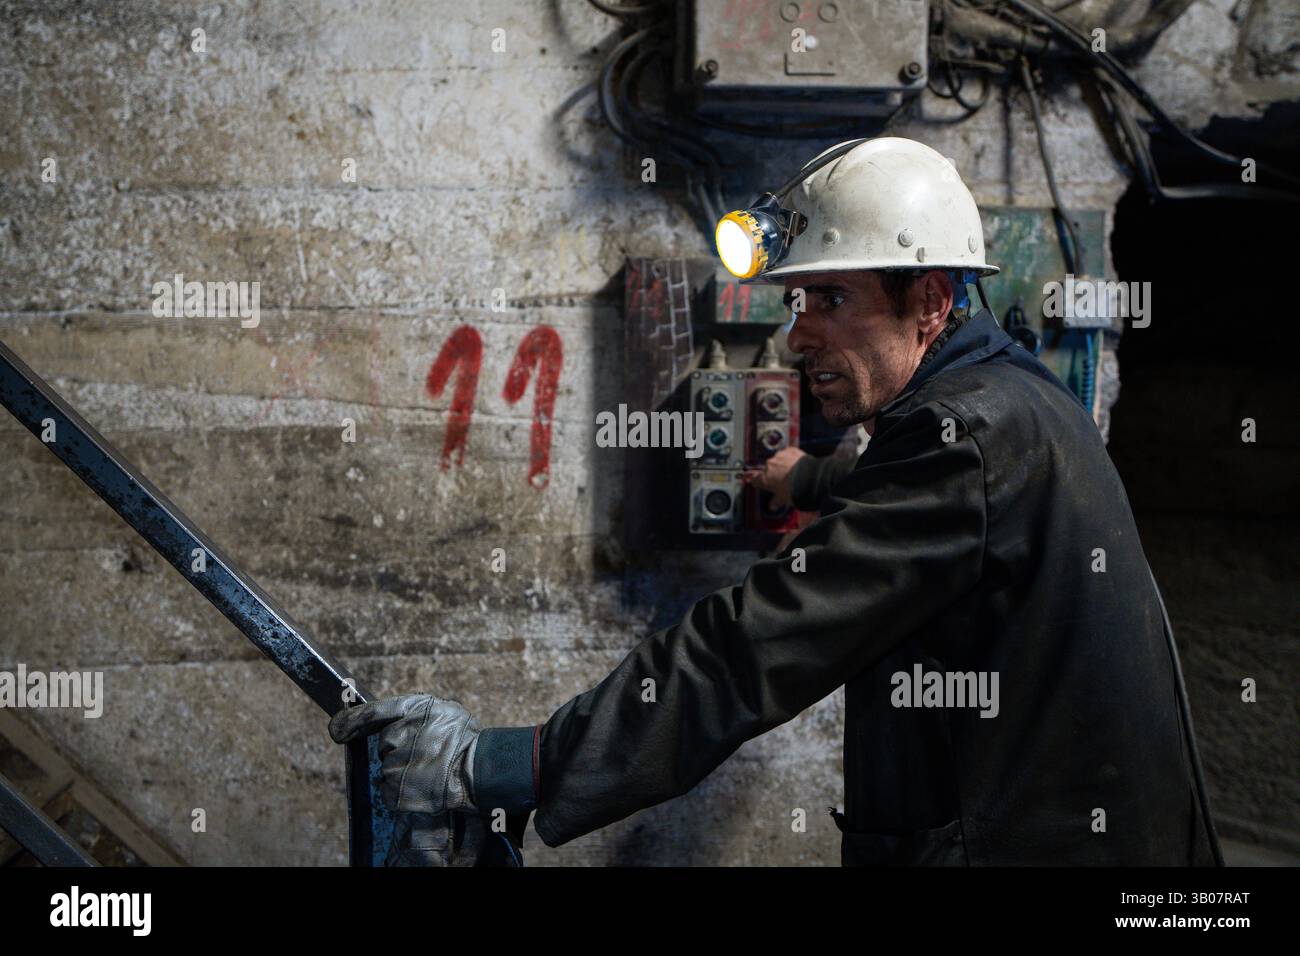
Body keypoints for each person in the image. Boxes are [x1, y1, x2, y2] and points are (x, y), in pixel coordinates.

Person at [329, 138, 1214, 866]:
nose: (798, 338)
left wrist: (510, 762)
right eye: (797, 302)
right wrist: (809, 480)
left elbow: (755, 647)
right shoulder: (1007, 401)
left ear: (931, 301)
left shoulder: (968, 439)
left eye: (831, 299)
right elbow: (929, 516)